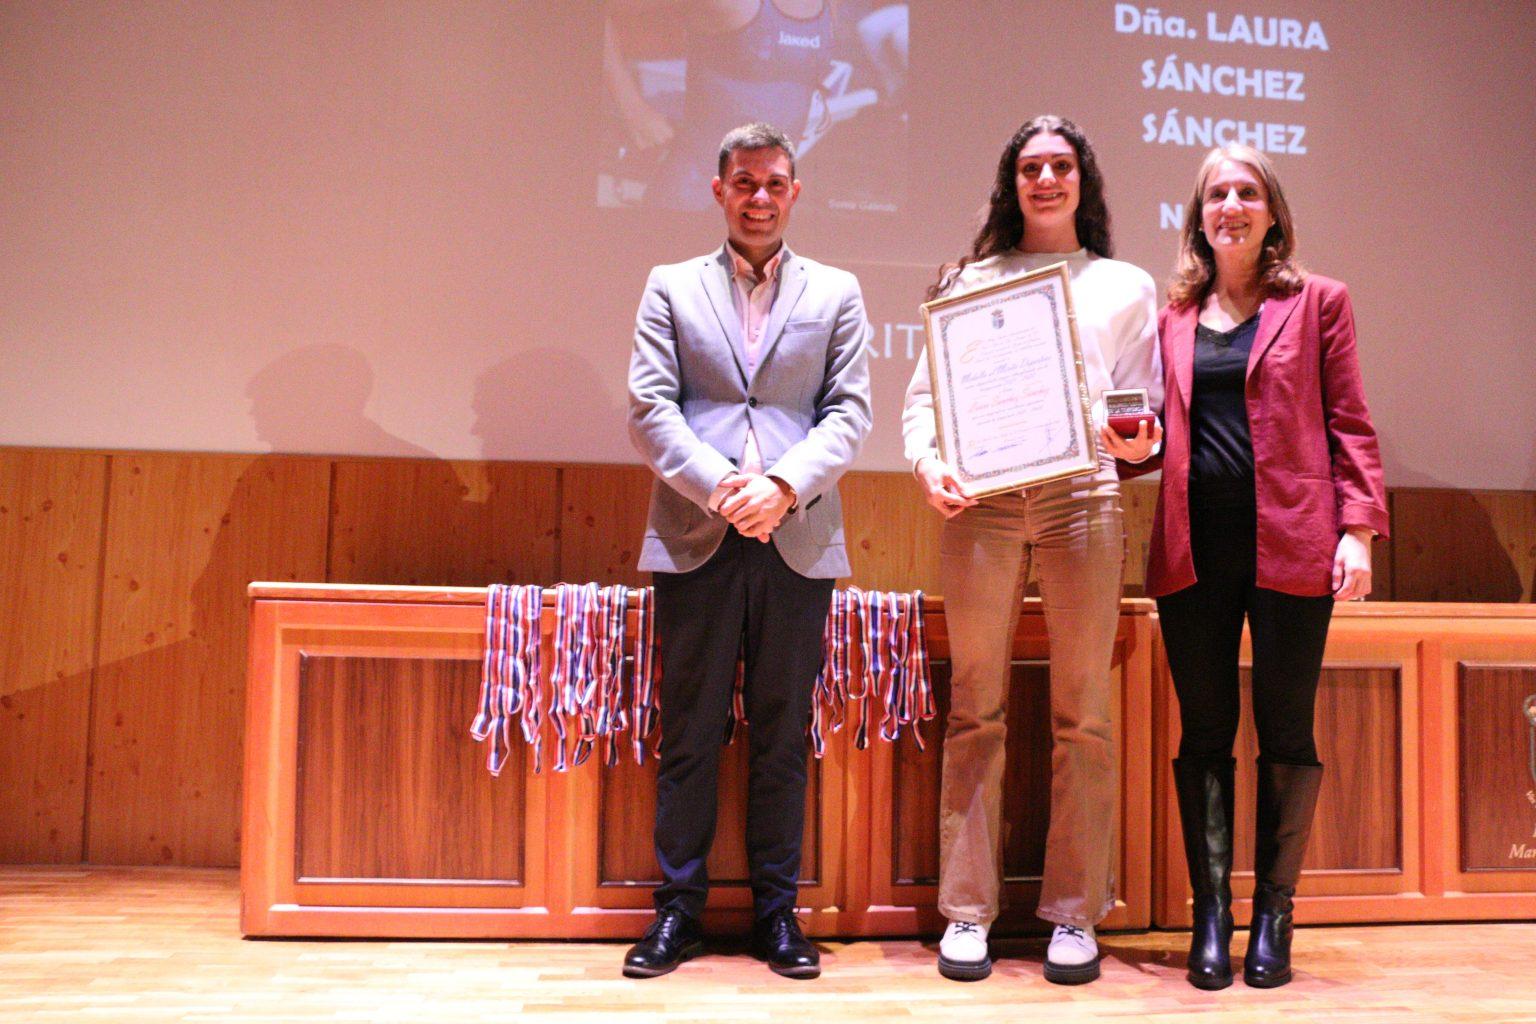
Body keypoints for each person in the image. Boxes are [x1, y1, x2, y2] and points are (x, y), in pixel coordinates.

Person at [901, 115, 1162, 985]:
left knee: (1082, 712)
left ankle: (1073, 917)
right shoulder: (967, 279)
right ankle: (967, 913)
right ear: (1010, 183)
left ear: (1083, 179)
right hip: (982, 502)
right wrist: (931, 460)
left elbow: (1145, 404)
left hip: (1083, 493)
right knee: (977, 705)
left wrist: (1140, 439)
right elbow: (923, 397)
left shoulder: (1126, 283)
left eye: (1059, 166)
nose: (1044, 180)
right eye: (1029, 168)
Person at [623, 121, 873, 979]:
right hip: (697, 534)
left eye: (774, 183)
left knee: (780, 735)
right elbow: (651, 408)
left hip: (796, 538)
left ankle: (778, 918)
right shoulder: (670, 286)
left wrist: (782, 490)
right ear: (718, 189)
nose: (759, 197)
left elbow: (850, 414)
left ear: (794, 193)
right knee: (688, 734)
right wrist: (726, 490)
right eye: (743, 182)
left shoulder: (838, 291)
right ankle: (676, 915)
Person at [1146, 144, 1388, 990]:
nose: (1232, 205)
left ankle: (1274, 914)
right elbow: (1156, 437)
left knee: (1286, 731)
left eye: (1248, 192)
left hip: (1292, 546)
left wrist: (1357, 530)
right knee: (1205, 733)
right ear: (1199, 216)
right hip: (1192, 550)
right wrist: (1128, 448)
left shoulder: (1319, 302)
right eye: (1217, 194)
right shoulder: (1171, 316)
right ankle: (1211, 913)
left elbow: (1351, 423)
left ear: (1273, 213)